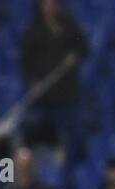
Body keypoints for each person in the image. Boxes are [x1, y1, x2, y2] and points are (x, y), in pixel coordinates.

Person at [19, 0, 89, 162]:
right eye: (46, 4)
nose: (50, 7)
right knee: (35, 135)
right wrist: (33, 80)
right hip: (44, 96)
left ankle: (71, 169)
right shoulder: (33, 31)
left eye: (53, 3)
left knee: (71, 137)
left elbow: (84, 48)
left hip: (66, 95)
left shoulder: (69, 26)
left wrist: (75, 55)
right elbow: (26, 60)